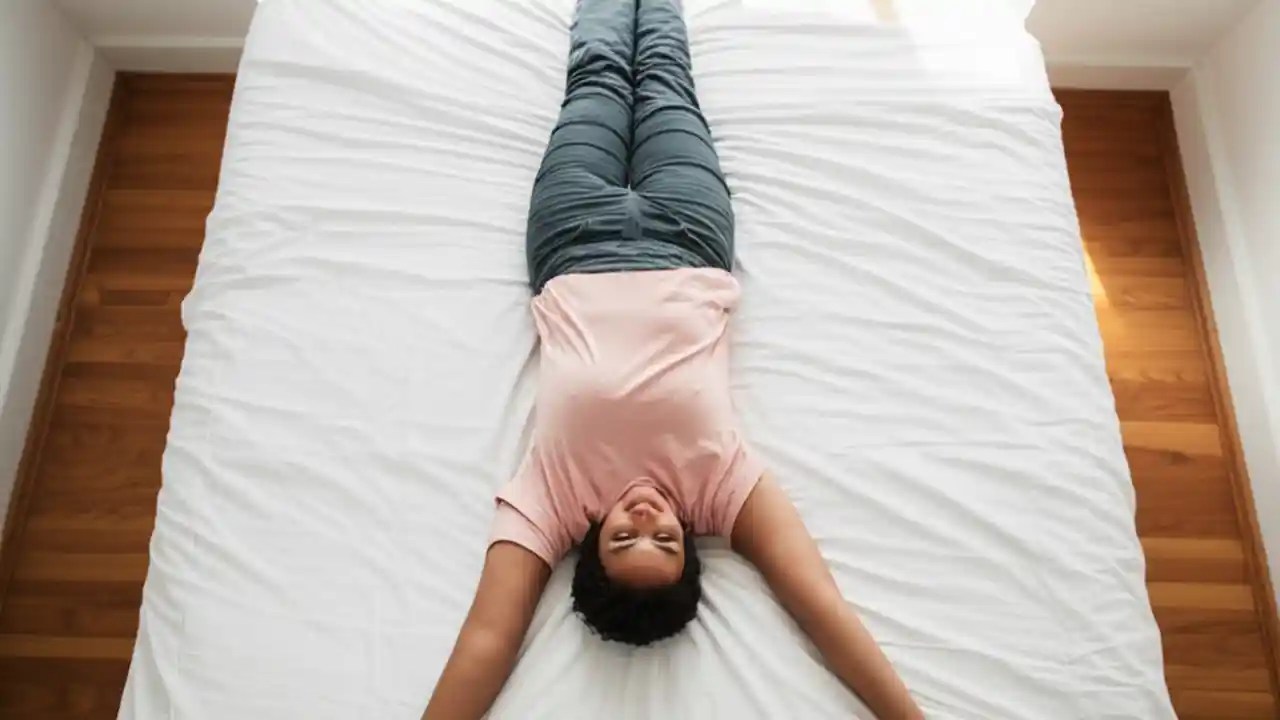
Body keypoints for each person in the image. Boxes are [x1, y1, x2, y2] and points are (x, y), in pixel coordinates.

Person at [424, 1, 923, 718]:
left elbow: (489, 639)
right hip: (688, 234)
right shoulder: (720, 489)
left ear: (590, 547)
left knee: (595, 74)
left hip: (574, 236)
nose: (646, 515)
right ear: (691, 547)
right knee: (663, 76)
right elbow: (821, 608)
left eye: (624, 537)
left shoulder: (554, 498)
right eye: (664, 540)